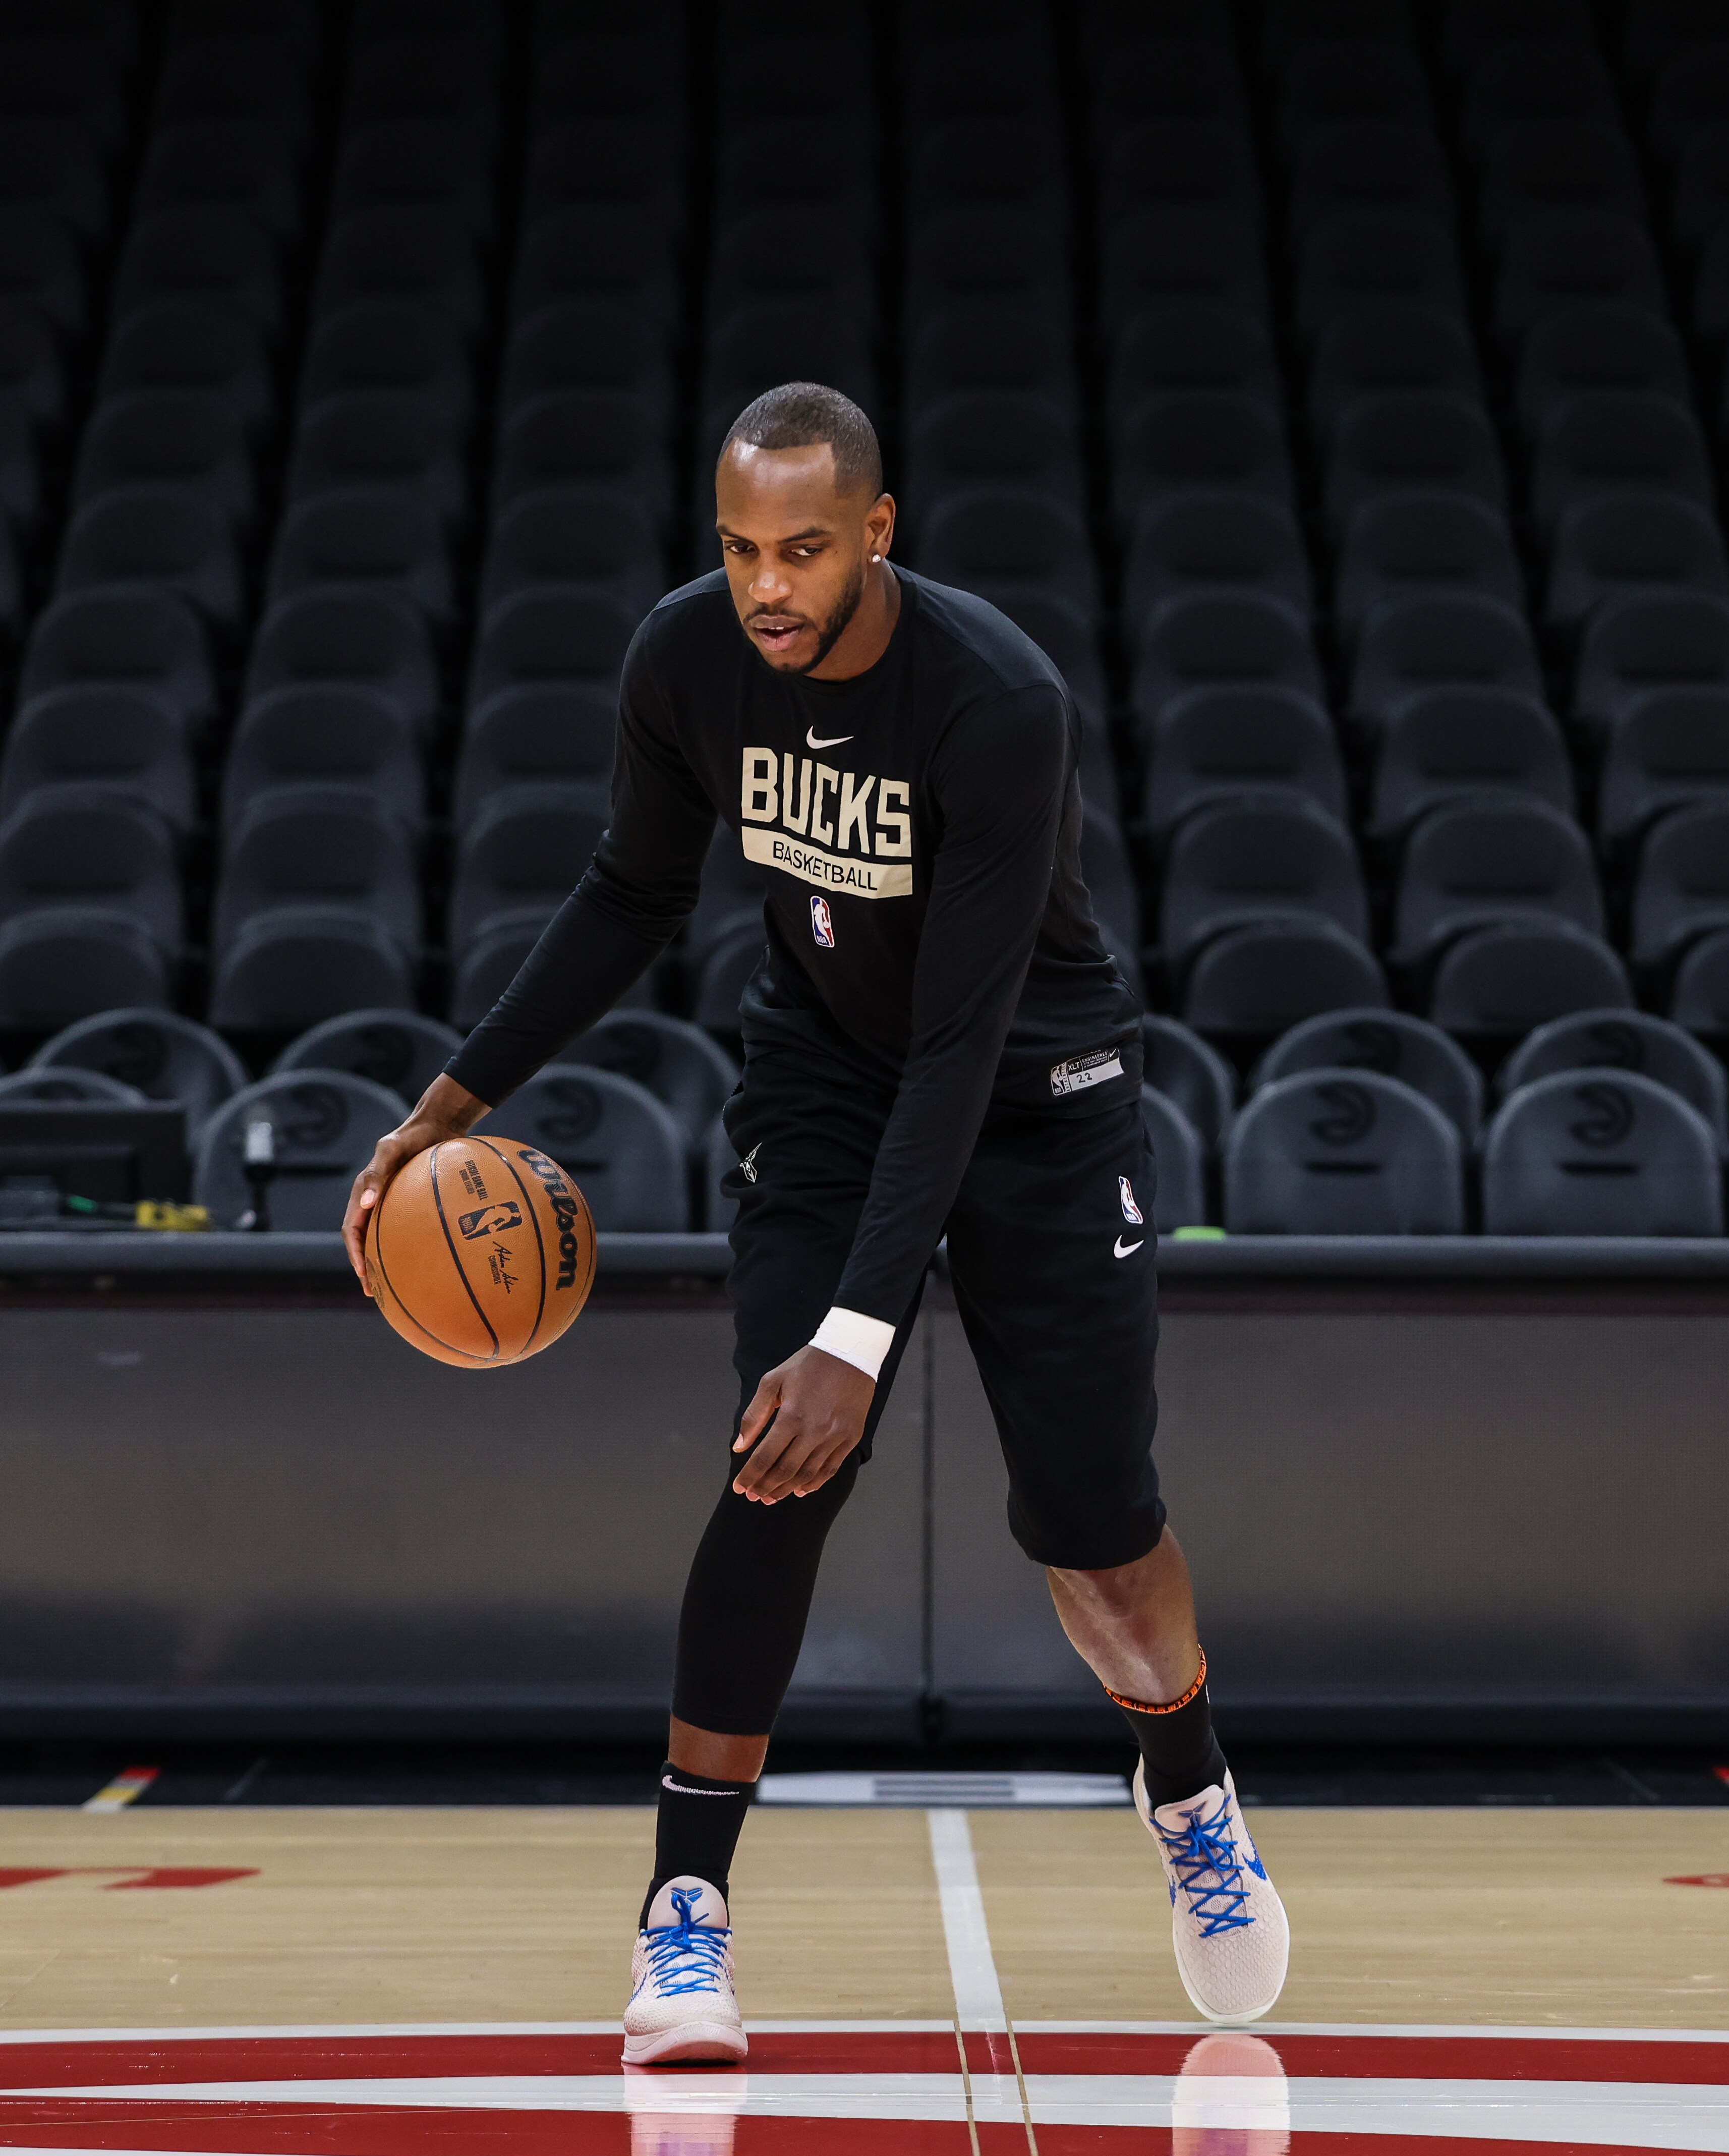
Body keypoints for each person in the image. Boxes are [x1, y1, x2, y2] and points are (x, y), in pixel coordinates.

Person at [341, 382, 1289, 2063]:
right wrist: (449, 1106)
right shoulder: (688, 658)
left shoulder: (996, 700)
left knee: (1094, 1535)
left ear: (876, 533)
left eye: (799, 548)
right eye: (737, 546)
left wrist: (861, 1338)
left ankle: (1191, 1782)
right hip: (828, 1090)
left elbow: (961, 1047)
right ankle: (683, 1918)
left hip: (1038, 1099)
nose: (764, 584)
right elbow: (632, 890)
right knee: (775, 1467)